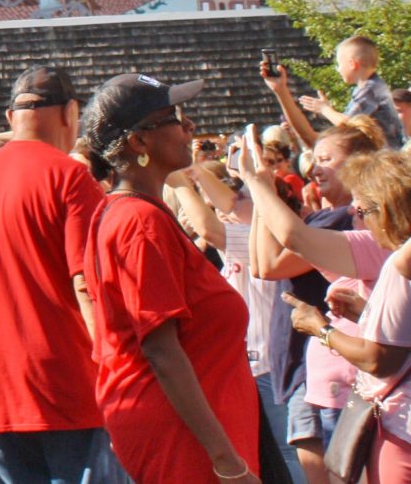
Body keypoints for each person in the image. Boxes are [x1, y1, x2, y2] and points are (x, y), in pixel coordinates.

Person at [81, 73, 260, 484]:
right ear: (139, 142)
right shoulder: (138, 222)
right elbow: (161, 350)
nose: (190, 127)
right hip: (187, 439)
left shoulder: (133, 212)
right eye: (175, 116)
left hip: (191, 428)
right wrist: (226, 462)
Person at [0, 64, 107, 481]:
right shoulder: (71, 176)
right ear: (71, 113)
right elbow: (85, 284)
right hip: (67, 384)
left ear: (11, 119)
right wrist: (113, 364)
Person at [275, 149, 411, 481]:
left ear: (387, 208)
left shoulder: (400, 264)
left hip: (402, 428)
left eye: (363, 208)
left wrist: (319, 327)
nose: (356, 213)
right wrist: (366, 313)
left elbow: (380, 359)